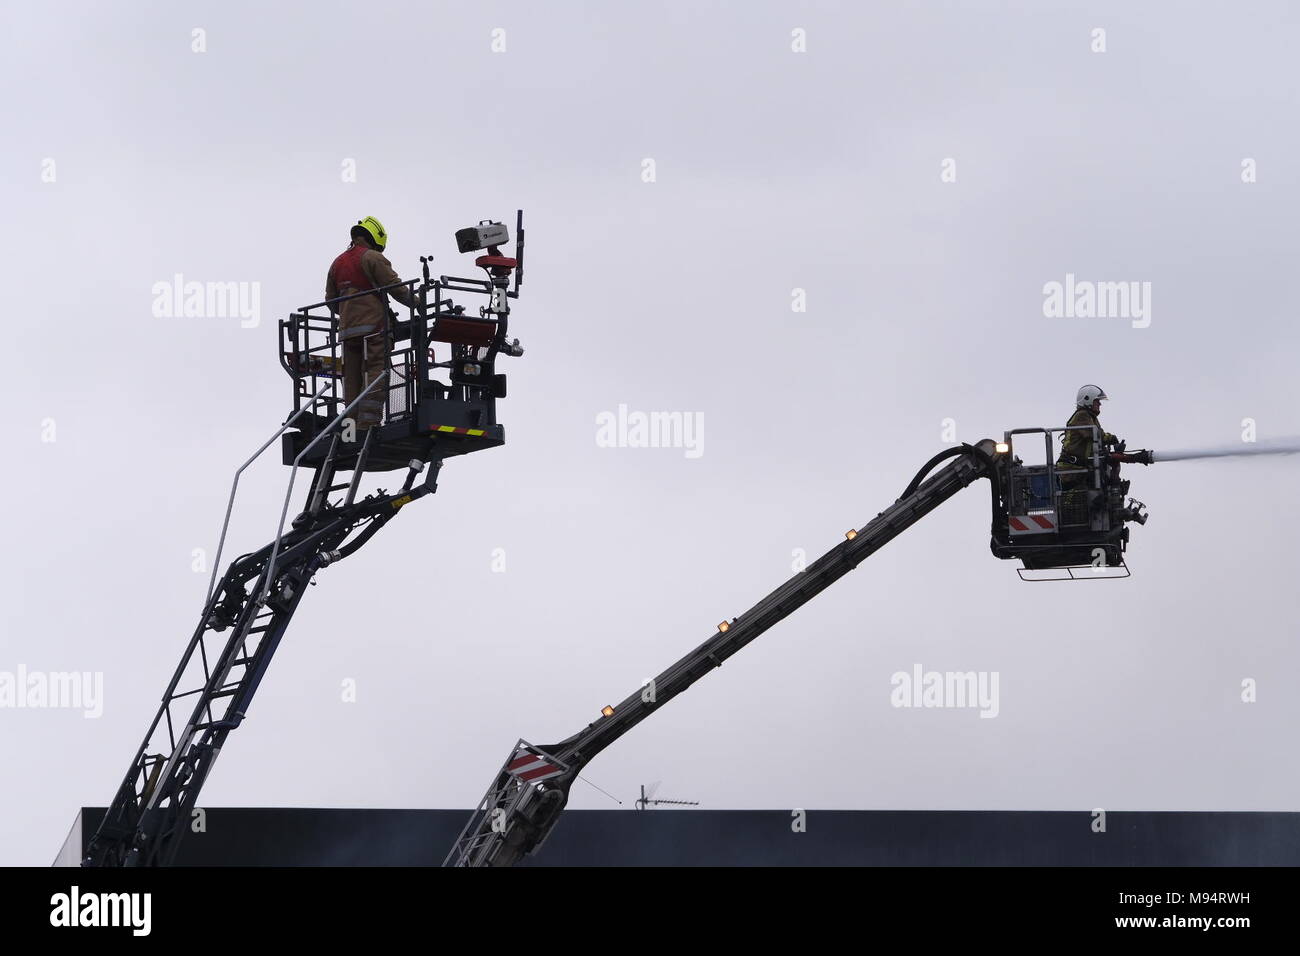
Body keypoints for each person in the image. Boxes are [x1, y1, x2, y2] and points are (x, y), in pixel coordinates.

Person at [325, 217, 414, 431]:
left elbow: (330, 300)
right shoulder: (373, 258)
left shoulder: (337, 263)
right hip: (374, 330)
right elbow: (396, 288)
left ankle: (351, 427)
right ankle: (369, 423)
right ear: (375, 239)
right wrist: (418, 303)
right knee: (376, 371)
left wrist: (347, 315)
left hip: (347, 332)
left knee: (351, 379)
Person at [1056, 384, 1117, 490]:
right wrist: (1109, 438)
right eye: (1097, 401)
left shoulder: (1090, 417)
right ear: (1087, 400)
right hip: (1071, 469)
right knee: (1077, 501)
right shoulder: (1082, 415)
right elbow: (1094, 434)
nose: (1099, 404)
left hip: (1079, 468)